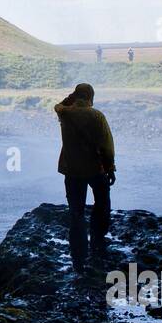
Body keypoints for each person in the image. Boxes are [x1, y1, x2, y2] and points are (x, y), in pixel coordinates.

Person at [54, 83, 116, 272]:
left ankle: (78, 253)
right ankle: (97, 238)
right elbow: (107, 146)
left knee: (76, 211)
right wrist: (110, 168)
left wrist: (71, 97)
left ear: (75, 95)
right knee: (102, 203)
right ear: (91, 96)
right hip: (95, 168)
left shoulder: (64, 113)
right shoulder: (96, 116)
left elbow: (58, 105)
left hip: (71, 169)